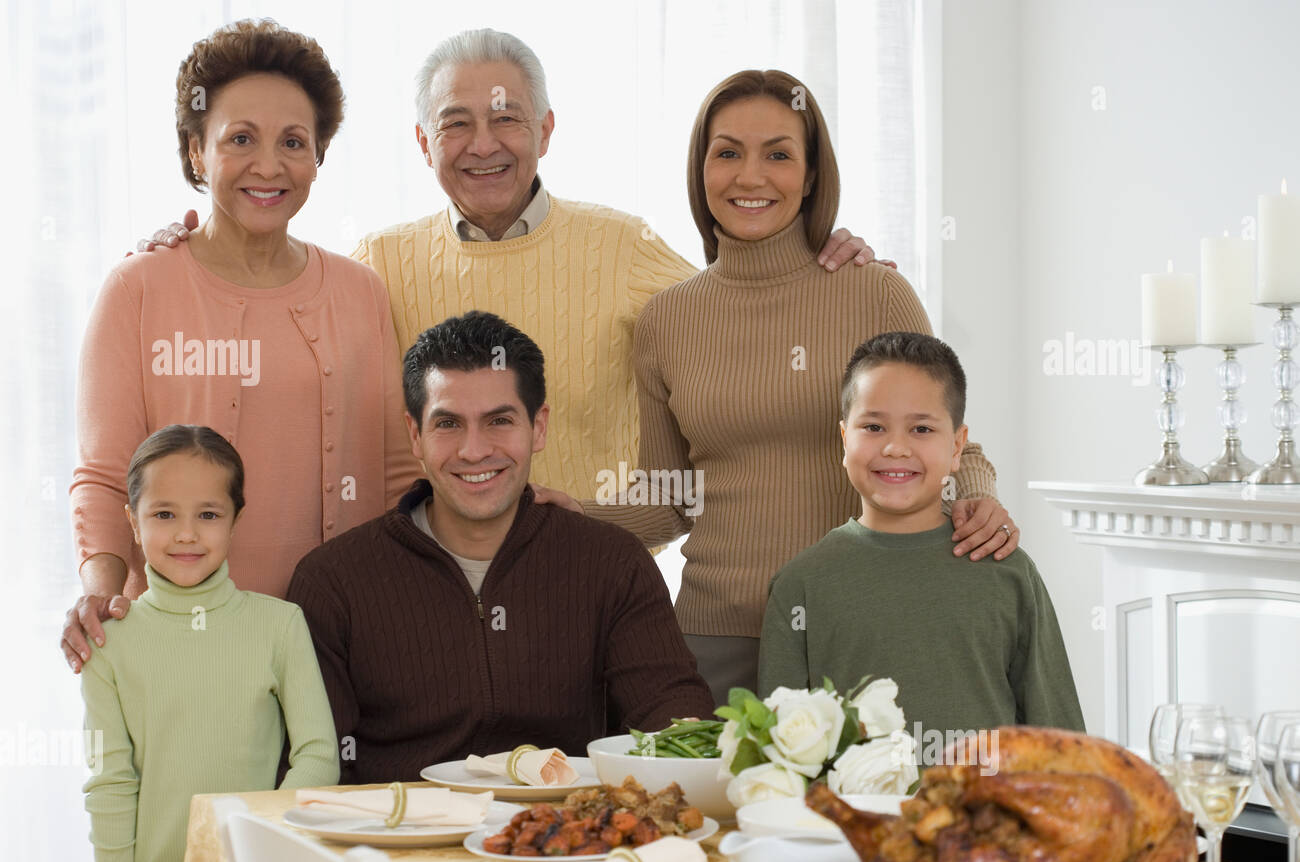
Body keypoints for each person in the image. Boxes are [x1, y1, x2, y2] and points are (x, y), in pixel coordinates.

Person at [141, 28, 878, 505]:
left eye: (507, 119)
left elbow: (759, 331)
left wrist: (815, 260)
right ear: (424, 144)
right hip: (425, 597)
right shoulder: (374, 269)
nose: (482, 143)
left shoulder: (624, 251)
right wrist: (189, 248)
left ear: (546, 131)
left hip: (590, 593)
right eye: (456, 123)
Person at [551, 70, 1019, 704]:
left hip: (859, 624)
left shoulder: (875, 291)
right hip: (714, 636)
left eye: (778, 154)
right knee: (707, 805)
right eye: (728, 153)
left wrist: (979, 498)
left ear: (812, 175)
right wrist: (574, 518)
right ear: (701, 169)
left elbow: (950, 447)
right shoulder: (666, 319)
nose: (751, 176)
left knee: (862, 806)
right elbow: (671, 500)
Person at [63, 18, 420, 673]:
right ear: (196, 152)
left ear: (318, 155)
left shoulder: (360, 290)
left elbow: (397, 476)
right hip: (181, 655)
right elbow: (105, 476)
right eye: (240, 139)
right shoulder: (136, 288)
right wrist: (97, 593)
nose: (268, 165)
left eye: (293, 141)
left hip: (341, 655)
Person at [286, 311, 715, 784]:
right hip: (399, 839)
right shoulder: (334, 580)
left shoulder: (612, 562)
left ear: (539, 427)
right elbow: (319, 765)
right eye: (448, 423)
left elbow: (670, 714)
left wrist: (690, 752)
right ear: (415, 435)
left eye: (499, 421)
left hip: (568, 840)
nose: (474, 450)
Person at [82, 425, 339, 862]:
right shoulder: (108, 642)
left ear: (235, 518)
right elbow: (110, 779)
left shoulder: (279, 626)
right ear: (132, 520)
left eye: (208, 514)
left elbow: (319, 755)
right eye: (164, 514)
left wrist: (264, 857)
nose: (186, 535)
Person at [758, 332, 1084, 734]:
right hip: (849, 800)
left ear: (957, 446)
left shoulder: (1008, 570)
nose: (896, 448)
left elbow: (1060, 739)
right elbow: (779, 751)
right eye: (874, 426)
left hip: (981, 798)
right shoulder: (800, 585)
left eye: (922, 430)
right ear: (845, 439)